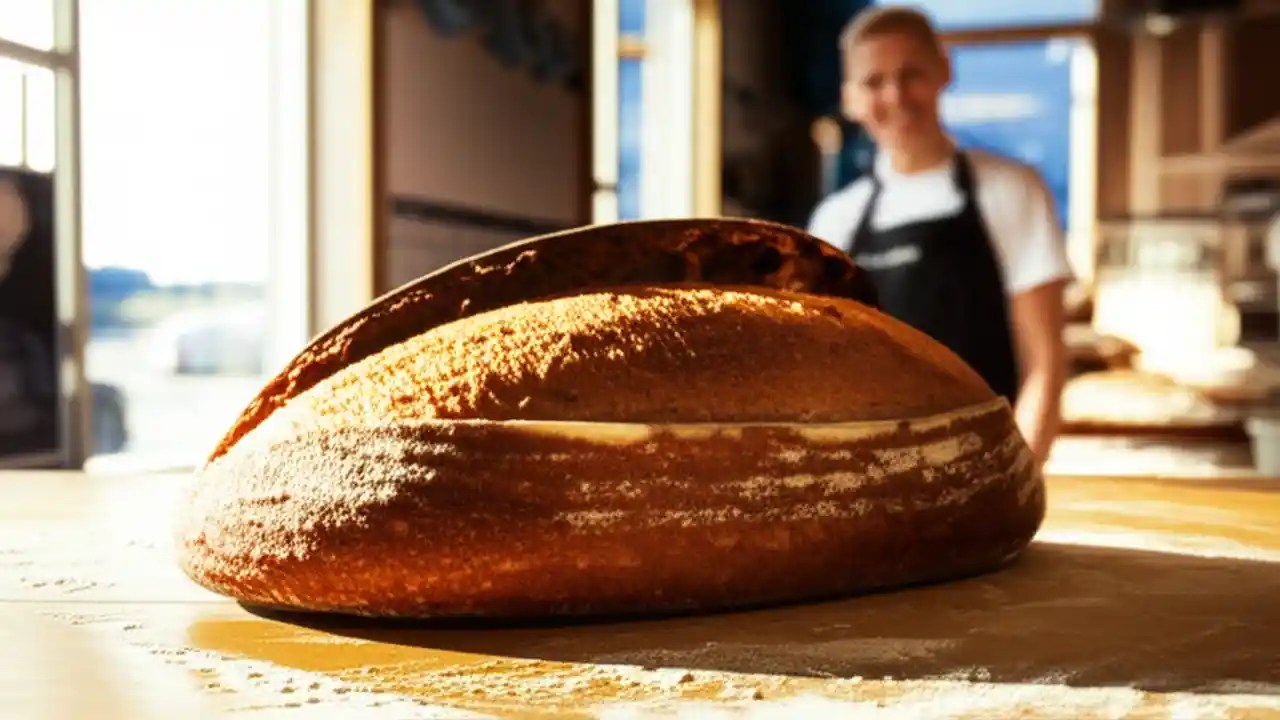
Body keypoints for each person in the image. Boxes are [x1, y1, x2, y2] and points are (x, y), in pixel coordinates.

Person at [807, 6, 1070, 466]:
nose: (896, 95)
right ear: (850, 98)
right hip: (873, 481)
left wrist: (1017, 482)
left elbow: (1045, 364)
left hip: (988, 470)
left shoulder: (1011, 189)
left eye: (912, 74)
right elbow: (822, 381)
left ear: (944, 72)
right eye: (873, 82)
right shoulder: (835, 221)